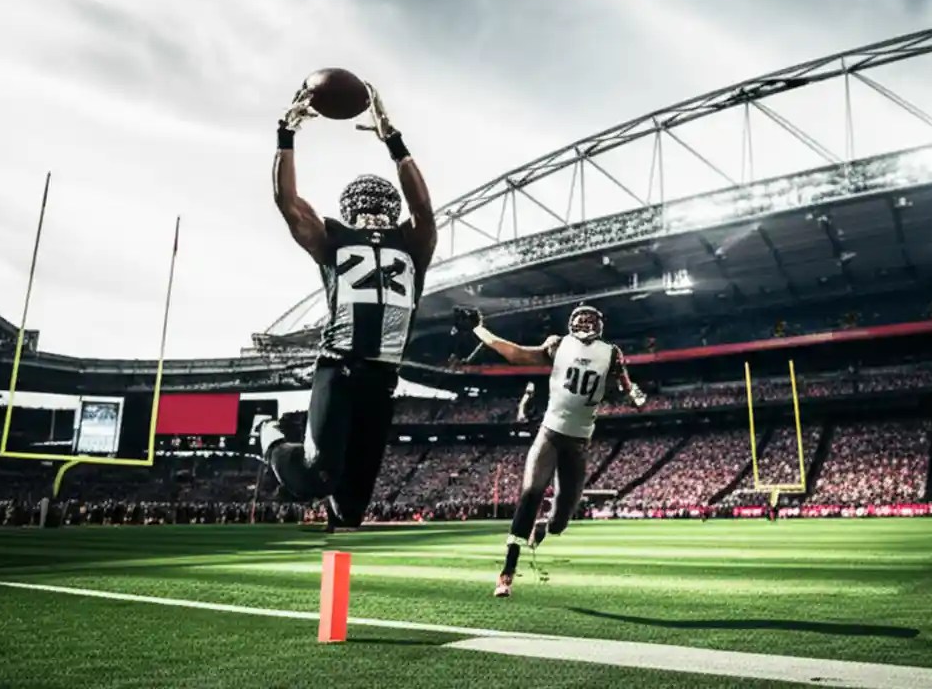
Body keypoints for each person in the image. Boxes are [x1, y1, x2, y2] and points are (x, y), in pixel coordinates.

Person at [260, 81, 436, 531]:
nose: (372, 207)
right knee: (318, 478)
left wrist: (392, 139)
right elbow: (288, 204)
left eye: (380, 202)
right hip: (339, 368)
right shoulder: (334, 236)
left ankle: (333, 576)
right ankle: (269, 436)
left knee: (352, 511)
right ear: (349, 207)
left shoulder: (412, 240)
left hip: (382, 379)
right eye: (364, 202)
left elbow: (423, 207)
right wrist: (286, 134)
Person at [454, 305, 645, 598]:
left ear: (601, 324)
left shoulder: (611, 353)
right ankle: (507, 571)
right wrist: (479, 328)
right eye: (580, 318)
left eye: (590, 319)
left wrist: (634, 395)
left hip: (579, 443)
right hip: (550, 434)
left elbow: (627, 384)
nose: (585, 323)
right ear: (570, 324)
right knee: (530, 495)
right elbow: (516, 353)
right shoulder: (558, 345)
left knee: (560, 520)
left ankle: (543, 530)